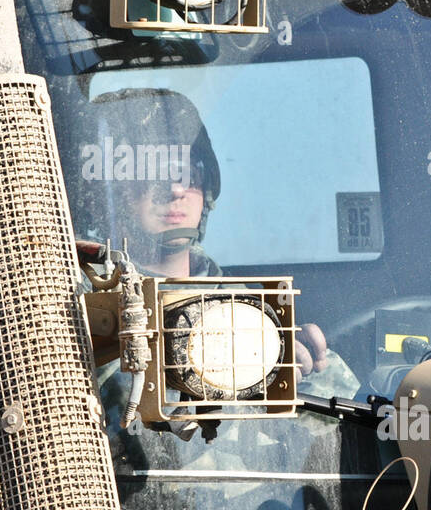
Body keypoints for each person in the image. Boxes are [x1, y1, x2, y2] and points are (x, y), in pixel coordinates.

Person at [82, 87, 329, 376]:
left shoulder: (245, 306)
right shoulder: (78, 296)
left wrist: (297, 363)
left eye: (188, 172)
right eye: (150, 174)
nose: (175, 189)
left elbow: (330, 409)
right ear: (110, 192)